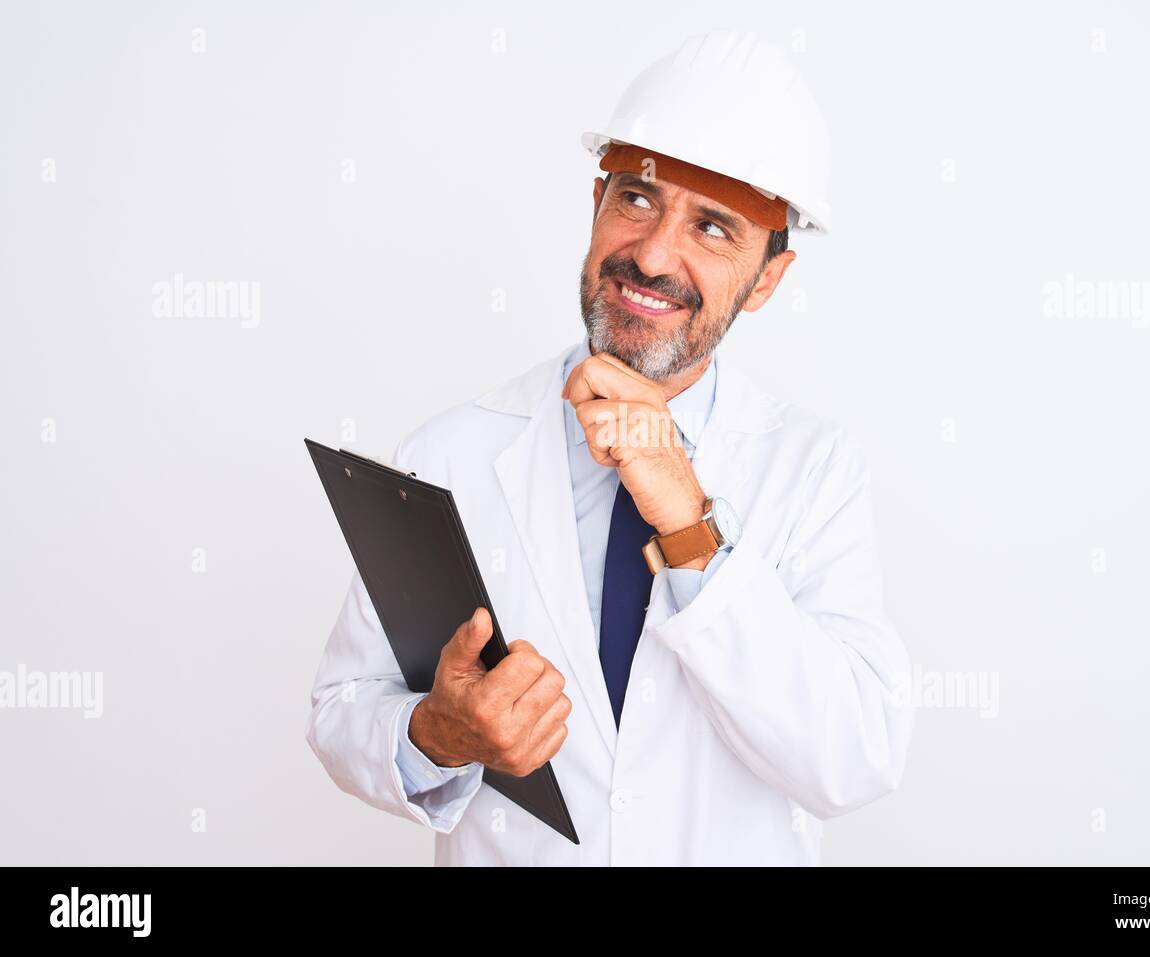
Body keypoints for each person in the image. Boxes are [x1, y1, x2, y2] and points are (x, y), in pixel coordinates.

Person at [306, 28, 912, 866]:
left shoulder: (813, 470)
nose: (654, 255)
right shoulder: (450, 452)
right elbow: (342, 707)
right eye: (637, 198)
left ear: (767, 278)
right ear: (596, 203)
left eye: (712, 227)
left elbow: (856, 758)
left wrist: (687, 515)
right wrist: (436, 733)